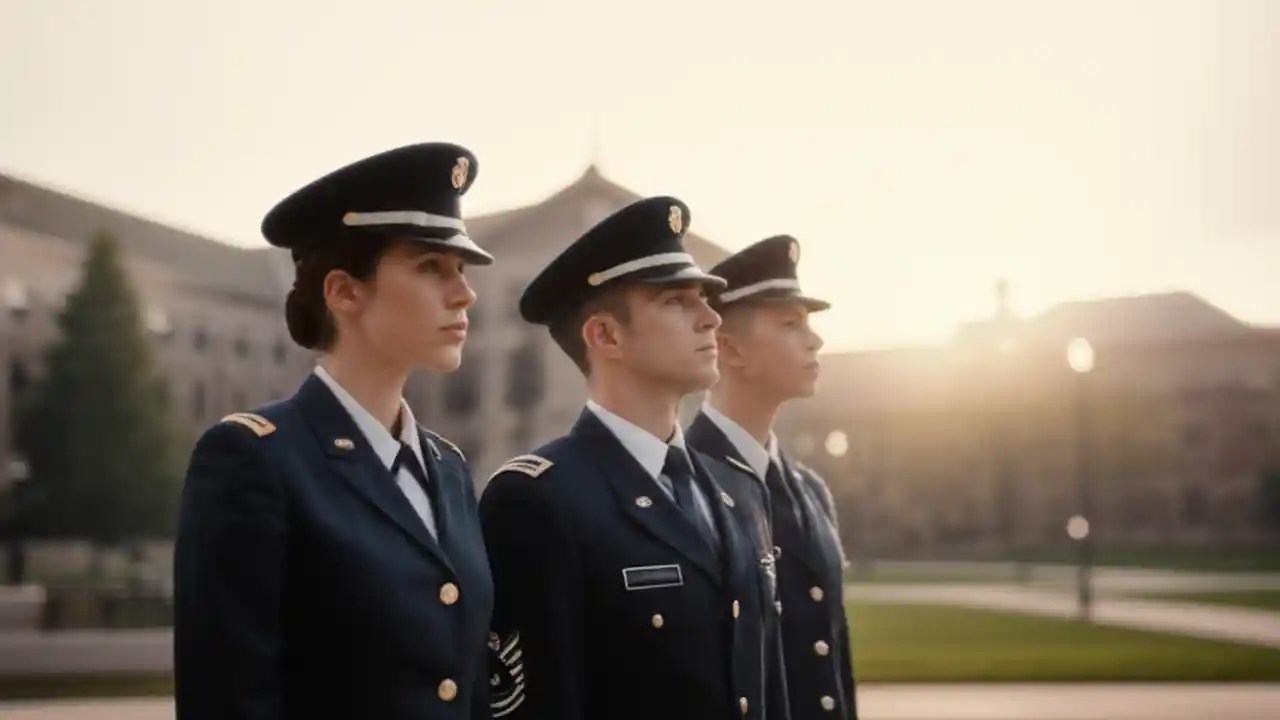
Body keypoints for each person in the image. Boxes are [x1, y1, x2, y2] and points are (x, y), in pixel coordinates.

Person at [174, 143, 495, 720]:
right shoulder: (254, 460)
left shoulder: (448, 470)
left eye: (461, 269)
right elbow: (229, 699)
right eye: (430, 267)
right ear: (345, 291)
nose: (463, 293)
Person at [481, 197, 787, 720]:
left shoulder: (739, 490)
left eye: (705, 300)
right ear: (605, 335)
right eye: (676, 301)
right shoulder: (538, 501)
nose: (711, 317)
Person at [687, 235, 857, 719]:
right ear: (729, 348)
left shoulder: (808, 490)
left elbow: (835, 663)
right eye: (790, 323)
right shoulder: (682, 483)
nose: (814, 338)